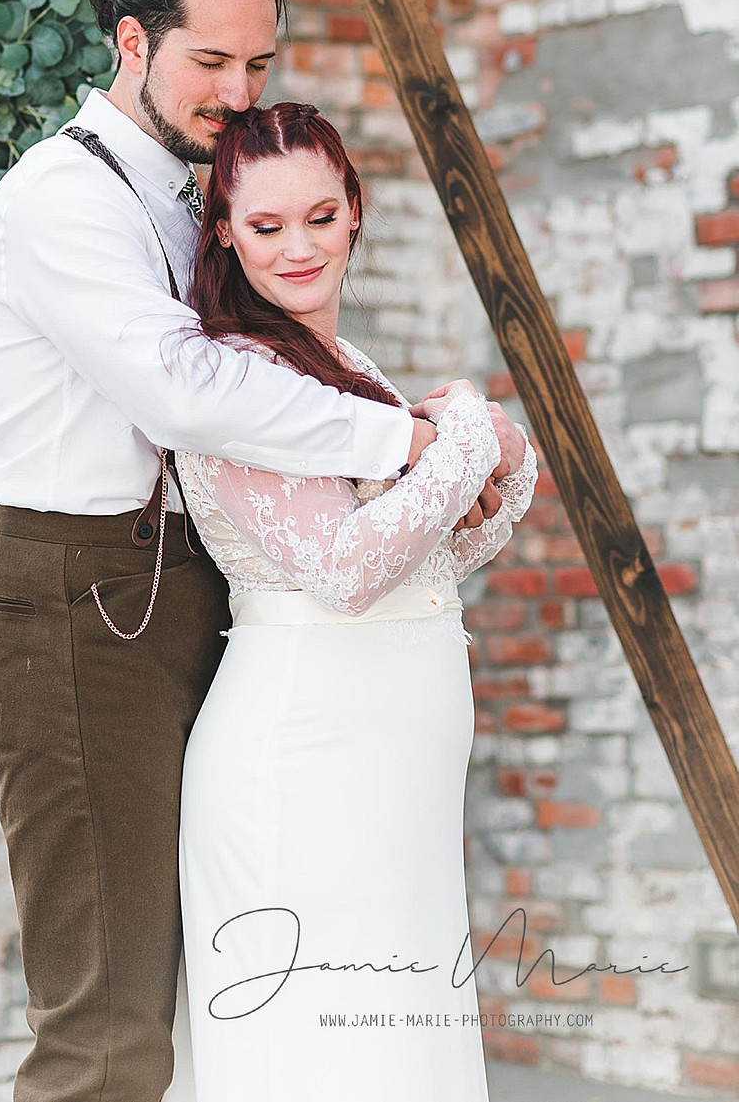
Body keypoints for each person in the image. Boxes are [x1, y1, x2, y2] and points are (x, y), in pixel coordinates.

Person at [0, 0, 464, 1102]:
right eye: (209, 64)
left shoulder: (195, 194)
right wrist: (403, 441)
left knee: (230, 997)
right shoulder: (60, 201)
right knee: (107, 1027)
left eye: (259, 65)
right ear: (131, 43)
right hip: (85, 611)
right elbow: (183, 388)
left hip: (208, 600)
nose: (239, 94)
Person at [173, 102, 538, 1101]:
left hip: (397, 777)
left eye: (320, 217)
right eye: (265, 225)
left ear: (355, 212)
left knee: (396, 1051)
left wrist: (493, 458)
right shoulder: (237, 379)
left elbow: (422, 563)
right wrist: (469, 427)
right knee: (322, 1059)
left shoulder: (352, 374)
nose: (298, 247)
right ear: (223, 233)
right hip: (304, 762)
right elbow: (342, 570)